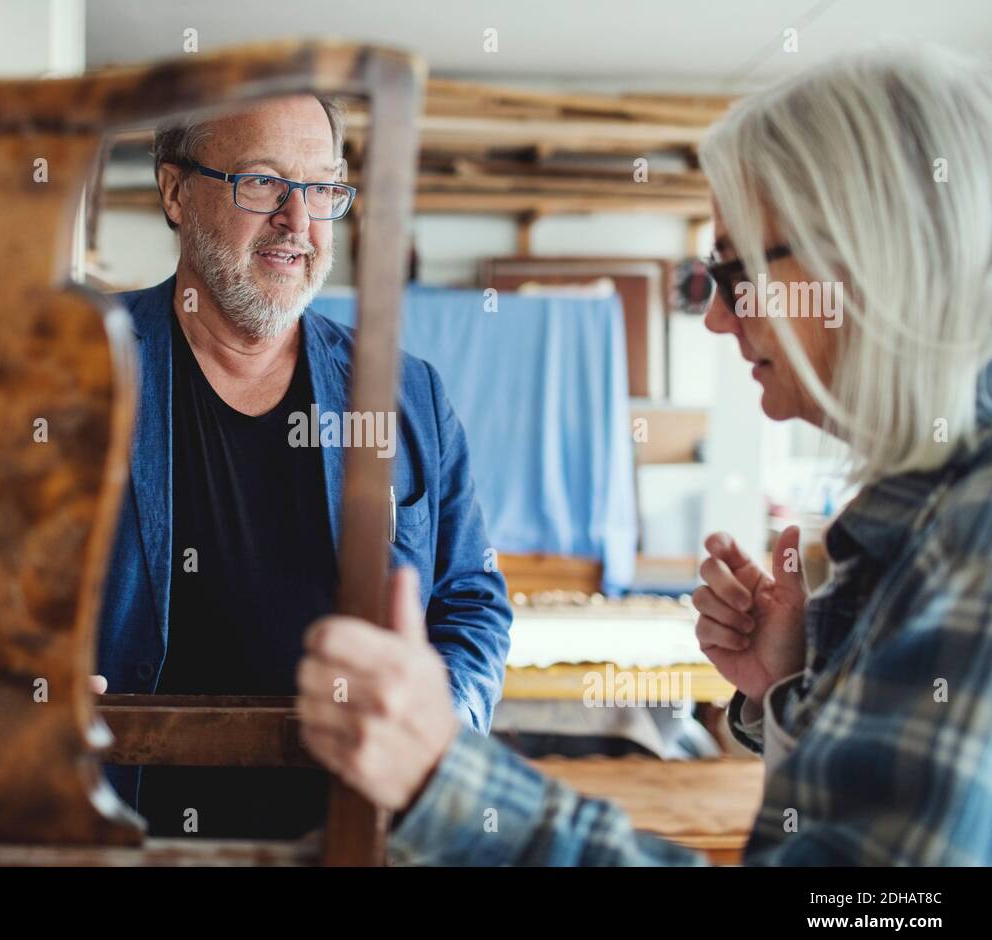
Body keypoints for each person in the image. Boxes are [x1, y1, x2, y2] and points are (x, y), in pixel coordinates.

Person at [297, 46, 992, 865]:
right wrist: (791, 691)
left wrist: (445, 780)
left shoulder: (971, 538)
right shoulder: (928, 523)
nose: (717, 321)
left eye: (733, 273)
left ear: (864, 257)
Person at [0, 93, 511, 839]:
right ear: (175, 192)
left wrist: (447, 720)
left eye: (323, 188)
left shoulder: (406, 393)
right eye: (263, 183)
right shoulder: (68, 376)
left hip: (359, 834)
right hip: (123, 828)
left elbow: (472, 596)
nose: (298, 224)